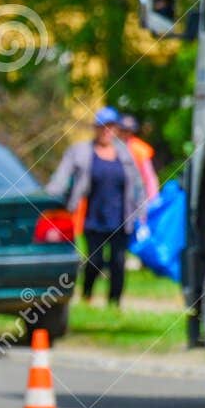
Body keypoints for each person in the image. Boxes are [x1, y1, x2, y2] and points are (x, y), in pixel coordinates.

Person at [47, 107, 147, 308]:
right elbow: (61, 177)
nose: (106, 132)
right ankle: (87, 295)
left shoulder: (124, 154)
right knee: (95, 261)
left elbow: (137, 185)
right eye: (102, 127)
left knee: (118, 263)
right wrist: (49, 197)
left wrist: (142, 214)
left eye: (110, 127)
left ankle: (114, 303)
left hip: (121, 218)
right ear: (96, 128)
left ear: (116, 129)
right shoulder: (83, 152)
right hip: (94, 218)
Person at [116, 113, 160, 204]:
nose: (125, 133)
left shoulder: (139, 149)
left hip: (135, 195)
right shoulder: (110, 146)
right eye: (123, 130)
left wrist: (153, 199)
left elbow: (149, 177)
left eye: (128, 130)